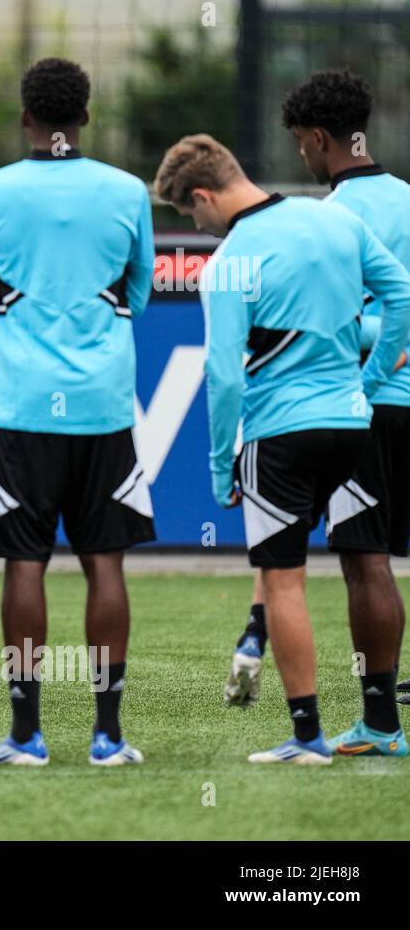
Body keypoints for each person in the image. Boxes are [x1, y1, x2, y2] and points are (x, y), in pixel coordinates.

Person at [156, 133, 410, 764]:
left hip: (279, 433)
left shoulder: (231, 260)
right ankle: (378, 720)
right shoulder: (332, 219)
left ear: (205, 196)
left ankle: (307, 738)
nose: (200, 226)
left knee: (284, 579)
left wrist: (221, 467)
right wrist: (372, 379)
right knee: (367, 562)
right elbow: (400, 297)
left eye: (192, 215)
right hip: (354, 426)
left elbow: (223, 377)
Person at [0, 59, 154, 768]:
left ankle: (25, 735)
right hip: (104, 406)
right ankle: (108, 736)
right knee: (106, 565)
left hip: (23, 408)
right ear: (87, 117)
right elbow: (138, 285)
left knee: (24, 563)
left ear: (24, 118)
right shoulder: (127, 190)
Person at [225, 70, 410, 746]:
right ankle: (382, 717)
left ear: (317, 138)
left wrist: (367, 368)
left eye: (302, 146)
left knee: (365, 562)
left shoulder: (329, 220)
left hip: (363, 405)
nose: (302, 156)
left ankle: (379, 720)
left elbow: (336, 320)